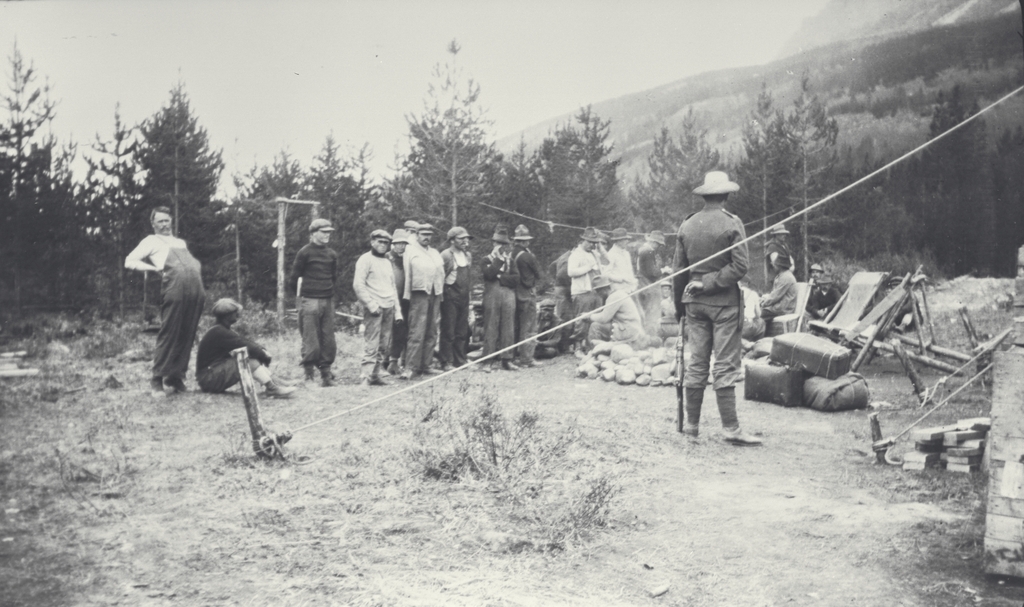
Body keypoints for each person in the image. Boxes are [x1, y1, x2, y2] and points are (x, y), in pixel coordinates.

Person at [674, 171, 761, 445]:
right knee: (724, 365)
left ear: (704, 195)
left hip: (694, 306)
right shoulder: (732, 223)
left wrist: (680, 307)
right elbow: (740, 266)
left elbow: (679, 271)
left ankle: (691, 427)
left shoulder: (686, 225)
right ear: (725, 195)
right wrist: (710, 283)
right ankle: (731, 429)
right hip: (724, 304)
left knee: (697, 364)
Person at [125, 206, 207, 397]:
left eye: (167, 220)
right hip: (174, 288)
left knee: (187, 332)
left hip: (195, 289)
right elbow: (129, 260)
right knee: (170, 332)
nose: (164, 224)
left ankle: (175, 377)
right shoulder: (151, 240)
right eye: (160, 221)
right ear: (153, 224)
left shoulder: (180, 243)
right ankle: (157, 379)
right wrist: (153, 269)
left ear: (171, 221)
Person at [195, 299, 295, 398]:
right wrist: (264, 355)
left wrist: (262, 351)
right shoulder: (219, 332)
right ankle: (272, 388)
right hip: (208, 379)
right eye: (235, 313)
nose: (237, 315)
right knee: (247, 360)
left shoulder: (220, 329)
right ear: (228, 316)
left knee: (250, 356)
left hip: (209, 377)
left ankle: (274, 383)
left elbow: (244, 341)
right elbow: (246, 345)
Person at [289, 218, 339, 387]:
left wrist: (330, 298)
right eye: (324, 232)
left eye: (329, 232)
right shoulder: (304, 252)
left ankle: (326, 375)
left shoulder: (332, 254)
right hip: (309, 301)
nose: (327, 235)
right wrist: (301, 300)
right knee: (311, 341)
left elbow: (334, 277)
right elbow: (294, 278)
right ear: (313, 233)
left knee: (328, 340)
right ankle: (309, 375)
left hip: (327, 301)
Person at [354, 229, 402, 387]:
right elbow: (358, 285)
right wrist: (371, 304)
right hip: (374, 308)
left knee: (384, 344)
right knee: (372, 344)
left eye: (386, 243)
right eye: (379, 242)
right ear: (372, 242)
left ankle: (375, 375)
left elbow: (392, 287)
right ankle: (365, 377)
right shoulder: (365, 259)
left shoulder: (387, 262)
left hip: (388, 306)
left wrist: (397, 311)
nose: (382, 245)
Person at [401, 223, 445, 379]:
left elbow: (441, 273)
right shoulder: (411, 251)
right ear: (417, 235)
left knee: (432, 330)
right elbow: (407, 273)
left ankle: (426, 365)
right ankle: (410, 367)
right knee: (416, 331)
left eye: (429, 235)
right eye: (423, 234)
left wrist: (440, 294)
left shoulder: (434, 253)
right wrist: (407, 295)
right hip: (418, 293)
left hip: (435, 293)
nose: (427, 237)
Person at [480, 228, 519, 372]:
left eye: (504, 244)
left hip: (508, 296)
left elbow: (516, 280)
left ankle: (506, 359)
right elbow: (489, 275)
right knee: (491, 327)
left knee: (508, 328)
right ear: (493, 244)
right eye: (499, 243)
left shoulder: (511, 261)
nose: (502, 246)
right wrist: (498, 260)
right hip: (492, 295)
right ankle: (487, 361)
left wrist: (500, 278)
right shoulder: (486, 259)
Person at [567, 227, 607, 353]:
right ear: (583, 240)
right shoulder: (576, 254)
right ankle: (577, 347)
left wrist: (600, 248)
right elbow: (571, 272)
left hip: (596, 291)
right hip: (582, 292)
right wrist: (588, 267)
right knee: (581, 321)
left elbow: (606, 261)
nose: (592, 245)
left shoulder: (594, 253)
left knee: (594, 319)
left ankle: (590, 346)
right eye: (590, 242)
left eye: (595, 242)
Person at [439, 226, 474, 370]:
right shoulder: (446, 255)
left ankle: (460, 360)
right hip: (449, 296)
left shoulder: (467, 256)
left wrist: (469, 298)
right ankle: (446, 361)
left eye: (467, 239)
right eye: (461, 239)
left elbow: (468, 278)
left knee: (462, 330)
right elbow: (441, 277)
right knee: (448, 329)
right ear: (452, 240)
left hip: (464, 297)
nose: (465, 241)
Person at [588, 275, 649, 349]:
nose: (598, 294)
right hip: (628, 327)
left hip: (628, 330)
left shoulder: (614, 297)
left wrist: (589, 316)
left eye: (598, 291)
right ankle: (603, 349)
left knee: (595, 326)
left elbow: (604, 318)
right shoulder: (617, 294)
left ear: (603, 289)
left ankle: (594, 352)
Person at [512, 224, 542, 367]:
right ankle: (526, 358)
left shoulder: (511, 254)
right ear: (524, 242)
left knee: (516, 325)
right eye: (527, 240)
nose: (528, 243)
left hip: (514, 294)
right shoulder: (527, 256)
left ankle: (513, 356)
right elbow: (539, 274)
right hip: (527, 293)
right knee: (529, 327)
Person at [385, 228, 411, 375]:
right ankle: (384, 360)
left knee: (401, 331)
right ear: (393, 244)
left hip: (404, 300)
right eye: (398, 243)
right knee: (387, 332)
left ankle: (395, 361)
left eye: (404, 243)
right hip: (389, 300)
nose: (401, 246)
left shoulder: (407, 259)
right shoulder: (387, 258)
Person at [636, 230, 670, 336]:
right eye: (658, 244)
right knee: (652, 311)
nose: (658, 247)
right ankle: (650, 336)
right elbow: (652, 272)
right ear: (654, 242)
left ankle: (647, 334)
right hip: (647, 285)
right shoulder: (648, 251)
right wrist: (664, 271)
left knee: (645, 311)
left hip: (642, 283)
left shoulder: (643, 250)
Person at [760, 257, 797, 323]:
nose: (773, 267)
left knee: (757, 315)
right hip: (779, 307)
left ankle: (760, 332)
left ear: (779, 266)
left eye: (775, 265)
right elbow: (774, 294)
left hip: (783, 309)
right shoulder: (782, 275)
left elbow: (775, 296)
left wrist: (762, 304)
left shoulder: (786, 277)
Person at [602, 228, 638, 294]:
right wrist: (621, 279)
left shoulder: (626, 253)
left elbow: (629, 271)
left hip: (631, 289)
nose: (627, 241)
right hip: (618, 290)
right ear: (618, 241)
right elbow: (605, 274)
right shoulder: (611, 254)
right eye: (625, 239)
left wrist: (633, 281)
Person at [549, 248, 574, 324]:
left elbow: (552, 266)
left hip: (560, 286)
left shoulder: (565, 255)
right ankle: (563, 334)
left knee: (562, 312)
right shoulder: (570, 257)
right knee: (565, 314)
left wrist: (555, 279)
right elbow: (562, 275)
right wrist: (570, 287)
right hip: (563, 288)